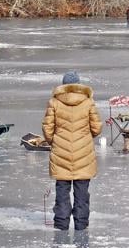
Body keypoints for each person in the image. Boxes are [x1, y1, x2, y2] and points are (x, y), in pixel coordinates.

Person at [42, 71, 102, 230]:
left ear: (63, 85)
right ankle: (81, 225)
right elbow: (97, 128)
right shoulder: (88, 102)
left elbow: (47, 129)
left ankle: (61, 225)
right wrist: (86, 137)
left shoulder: (54, 102)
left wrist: (54, 141)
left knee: (62, 192)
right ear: (79, 85)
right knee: (82, 193)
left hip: (60, 154)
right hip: (84, 154)